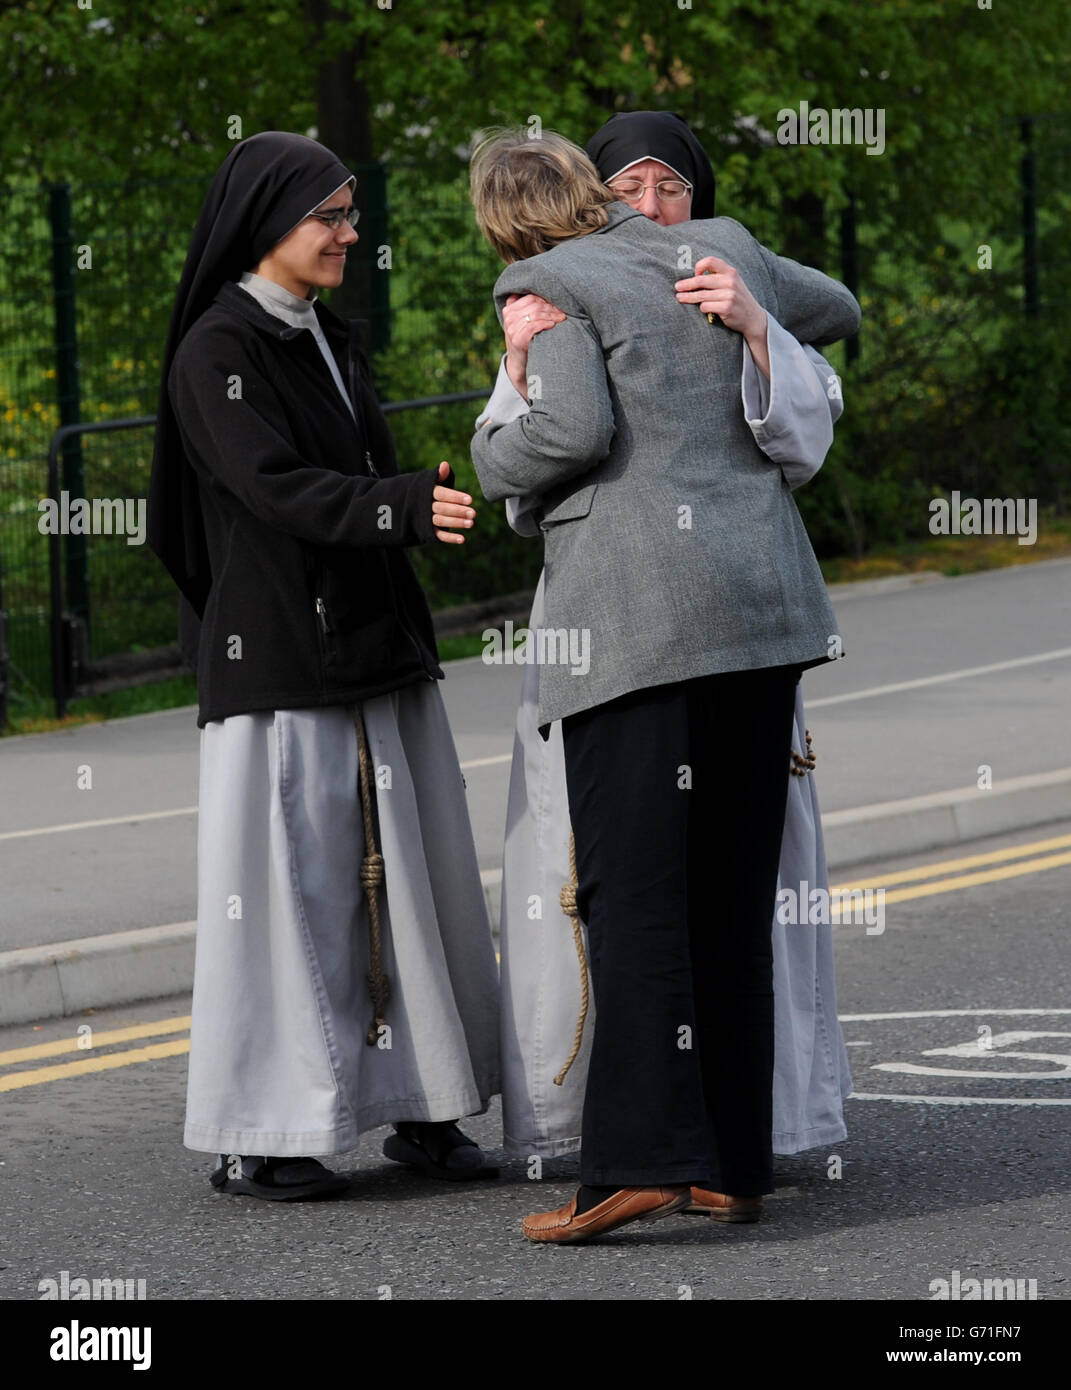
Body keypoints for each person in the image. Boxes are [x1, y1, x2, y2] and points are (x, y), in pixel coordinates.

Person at [470, 128, 860, 1243]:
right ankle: (736, 1164)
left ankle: (632, 1165)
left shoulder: (541, 281)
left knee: (635, 894)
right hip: (765, 611)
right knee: (732, 896)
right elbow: (840, 310)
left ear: (507, 221)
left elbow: (571, 430)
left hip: (636, 628)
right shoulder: (721, 244)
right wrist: (753, 316)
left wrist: (496, 422)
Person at [148, 131, 500, 1200]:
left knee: (416, 886)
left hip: (373, 647)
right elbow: (270, 487)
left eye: (351, 213)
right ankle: (266, 1132)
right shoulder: (218, 349)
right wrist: (397, 503)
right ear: (268, 227)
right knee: (289, 898)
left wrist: (392, 503)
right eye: (332, 218)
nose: (353, 234)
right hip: (283, 668)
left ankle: (428, 1105)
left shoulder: (327, 337)